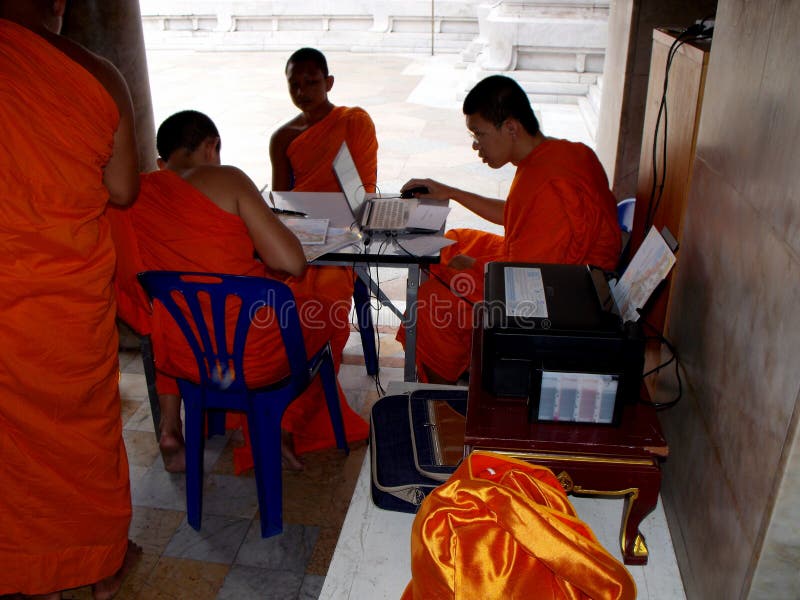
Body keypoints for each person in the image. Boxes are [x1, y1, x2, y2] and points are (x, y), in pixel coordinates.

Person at [108, 110, 369, 474]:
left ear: (160, 160)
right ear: (212, 146)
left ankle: (171, 429)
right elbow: (292, 263)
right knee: (324, 311)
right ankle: (281, 424)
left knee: (172, 316)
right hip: (255, 355)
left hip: (186, 355)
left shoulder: (134, 195)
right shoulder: (227, 179)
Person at [0, 1, 142, 597]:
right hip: (63, 300)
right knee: (80, 428)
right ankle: (97, 563)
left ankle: (21, 566)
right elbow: (124, 188)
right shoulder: (97, 73)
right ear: (57, 5)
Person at [398, 75, 621, 384]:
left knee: (430, 304)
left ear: (511, 128)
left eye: (479, 134)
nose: (476, 145)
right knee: (455, 241)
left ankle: (444, 395)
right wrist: (452, 192)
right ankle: (466, 363)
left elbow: (527, 284)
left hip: (561, 296)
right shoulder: (563, 153)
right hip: (542, 268)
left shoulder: (551, 184)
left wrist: (474, 267)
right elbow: (517, 213)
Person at [269, 47, 379, 365]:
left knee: (327, 295)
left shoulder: (354, 122)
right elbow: (282, 200)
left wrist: (341, 230)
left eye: (312, 82)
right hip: (299, 233)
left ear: (329, 82)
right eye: (294, 85)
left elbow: (364, 192)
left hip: (346, 233)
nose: (302, 92)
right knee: (275, 293)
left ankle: (320, 371)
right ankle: (281, 369)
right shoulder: (283, 137)